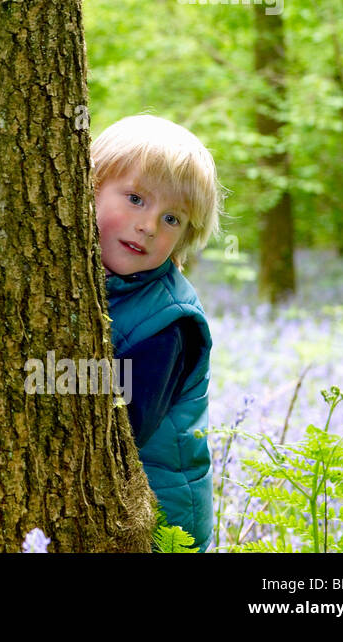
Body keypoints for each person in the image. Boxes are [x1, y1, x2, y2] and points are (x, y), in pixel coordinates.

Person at [91, 114, 226, 551]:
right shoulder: (106, 283)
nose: (148, 225)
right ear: (90, 188)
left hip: (162, 530)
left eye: (172, 219)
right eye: (135, 198)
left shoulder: (169, 323)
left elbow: (118, 431)